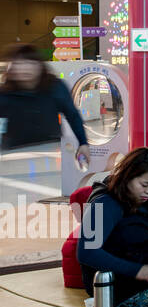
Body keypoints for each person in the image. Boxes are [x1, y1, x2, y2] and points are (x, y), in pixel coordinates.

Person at [76, 147, 148, 307]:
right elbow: (87, 253)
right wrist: (137, 270)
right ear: (128, 176)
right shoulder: (104, 203)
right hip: (117, 281)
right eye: (144, 185)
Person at [0, 44, 90, 206]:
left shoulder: (55, 87)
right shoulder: (5, 92)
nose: (25, 68)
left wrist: (83, 143)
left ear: (40, 66)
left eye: (30, 63)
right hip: (13, 155)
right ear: (12, 68)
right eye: (19, 64)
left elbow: (72, 115)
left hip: (51, 152)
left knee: (44, 201)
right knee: (14, 203)